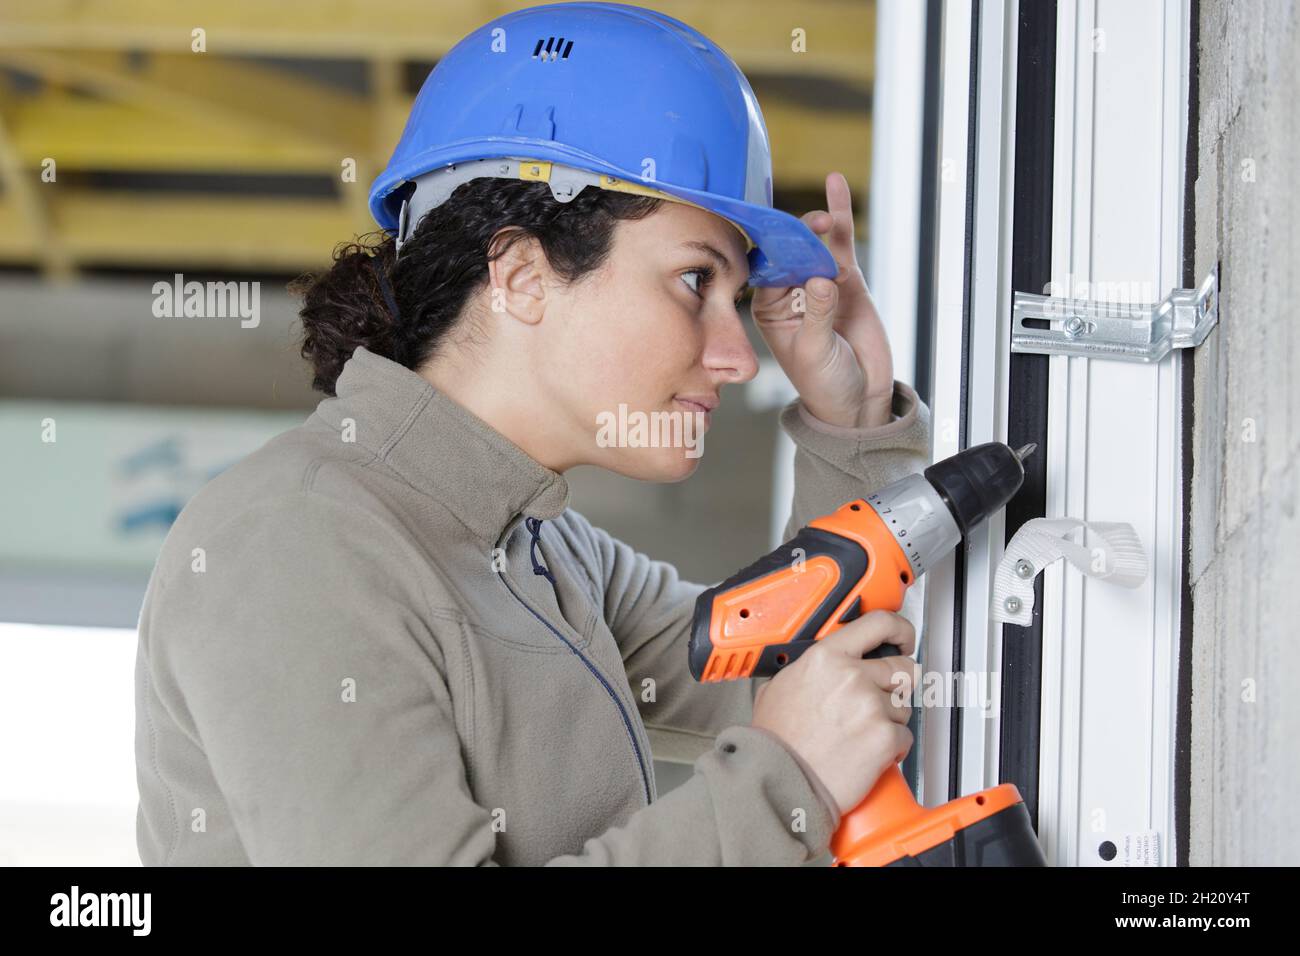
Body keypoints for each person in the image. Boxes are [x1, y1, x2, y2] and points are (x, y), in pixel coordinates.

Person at [134, 1, 930, 866]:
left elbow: (796, 681)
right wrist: (781, 783)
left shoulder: (549, 555)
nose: (740, 356)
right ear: (519, 275)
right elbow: (795, 747)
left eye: (735, 299)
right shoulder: (296, 542)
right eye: (694, 279)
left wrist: (846, 420)